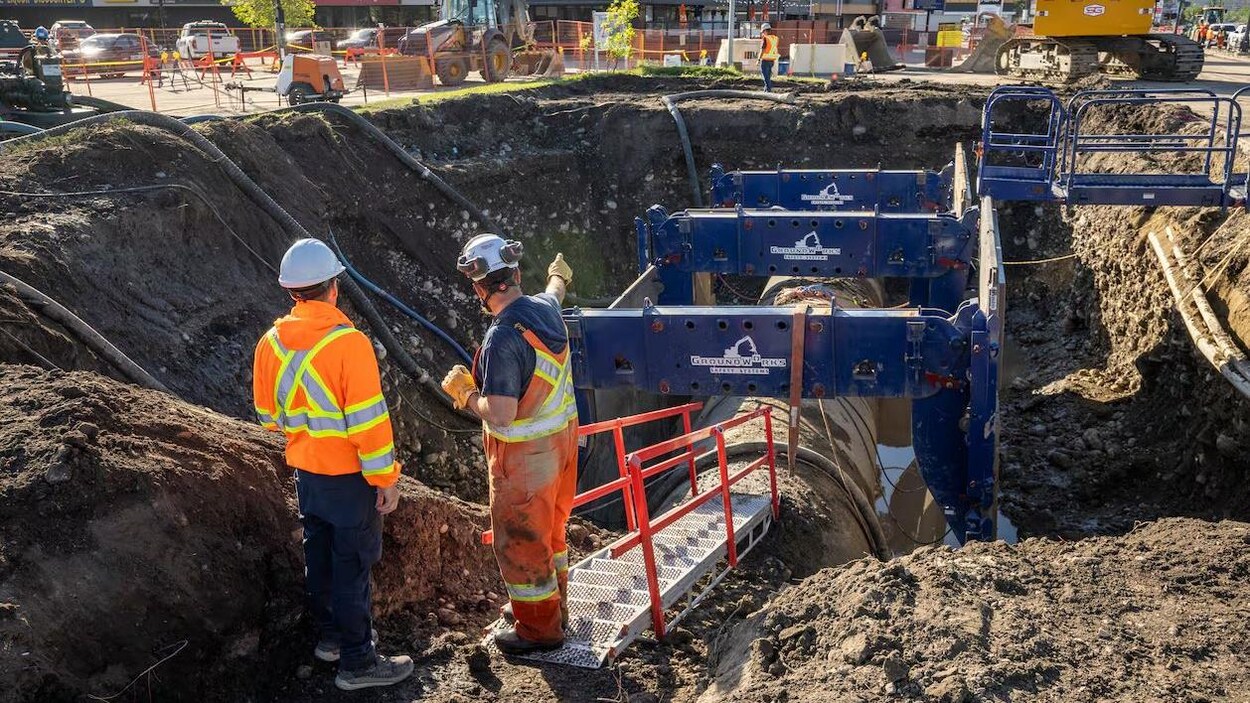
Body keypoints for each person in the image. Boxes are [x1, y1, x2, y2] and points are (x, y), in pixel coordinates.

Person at [252, 238, 414, 691]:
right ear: (334, 288)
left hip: (307, 473)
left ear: (293, 293)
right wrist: (386, 479)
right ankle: (358, 662)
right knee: (352, 566)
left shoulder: (270, 343)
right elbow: (370, 424)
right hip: (349, 479)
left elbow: (267, 418)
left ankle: (331, 640)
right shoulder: (350, 344)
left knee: (319, 558)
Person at [440, 235, 578, 655]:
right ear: (516, 275)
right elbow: (554, 291)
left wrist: (465, 393)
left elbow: (500, 413)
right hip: (563, 447)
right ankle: (553, 605)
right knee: (551, 532)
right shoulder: (545, 308)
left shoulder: (502, 339)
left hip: (524, 461)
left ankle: (539, 629)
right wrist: (558, 275)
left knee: (520, 540)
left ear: (479, 288)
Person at [759, 23, 780, 93]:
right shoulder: (774, 38)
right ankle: (766, 90)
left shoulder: (765, 38)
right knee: (768, 76)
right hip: (771, 60)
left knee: (765, 77)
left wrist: (758, 59)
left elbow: (763, 50)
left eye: (762, 32)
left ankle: (768, 91)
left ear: (764, 31)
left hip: (765, 60)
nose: (762, 33)